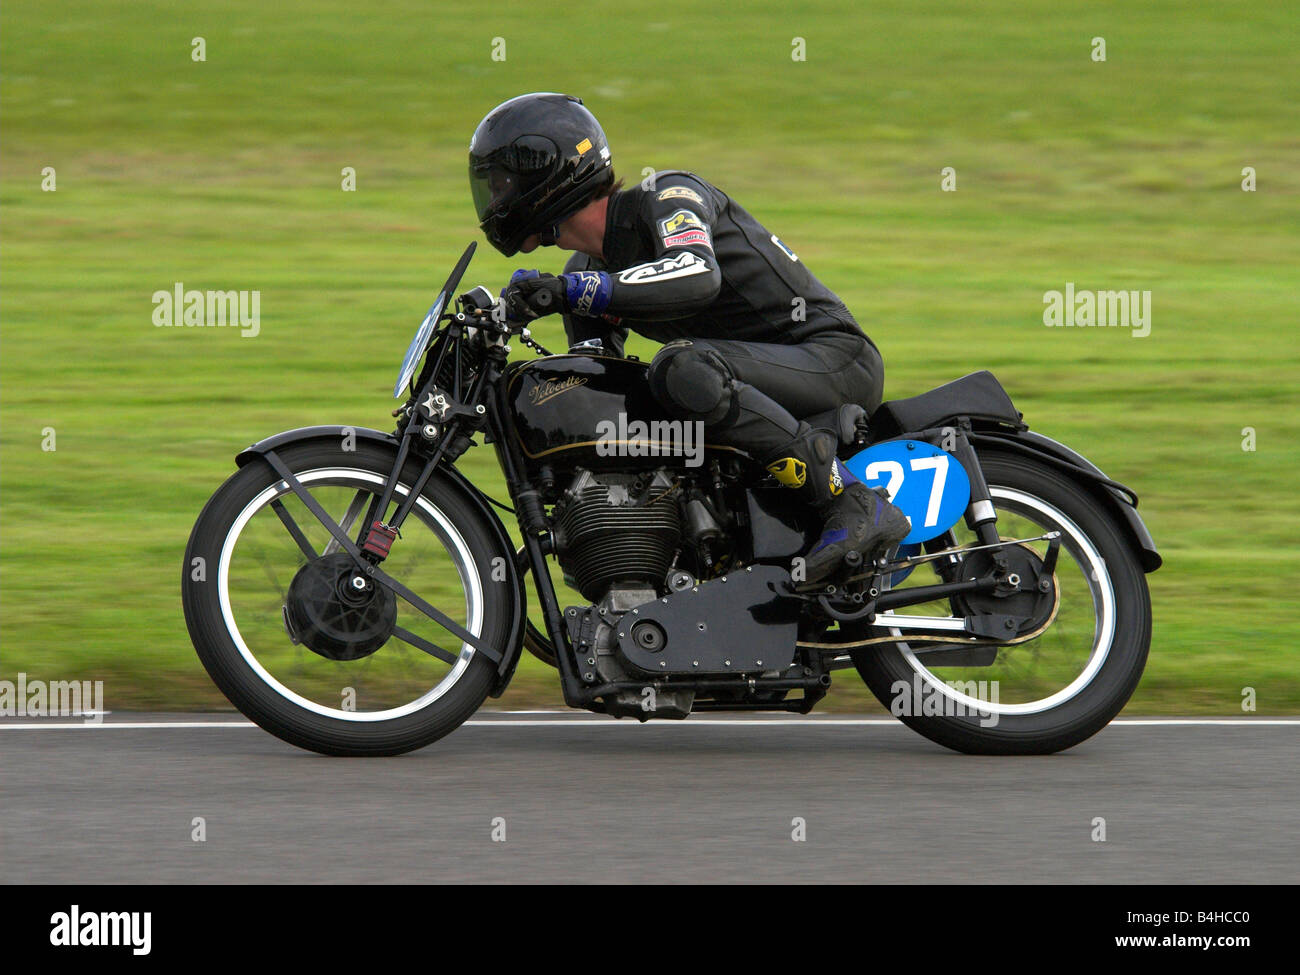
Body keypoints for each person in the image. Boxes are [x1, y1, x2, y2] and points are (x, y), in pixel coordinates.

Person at [468, 92, 909, 582]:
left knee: (683, 368)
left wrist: (571, 291)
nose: (495, 198)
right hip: (751, 378)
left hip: (833, 359)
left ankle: (852, 501)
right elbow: (599, 382)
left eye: (503, 183)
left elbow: (697, 275)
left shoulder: (670, 194)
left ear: (547, 178)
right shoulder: (586, 270)